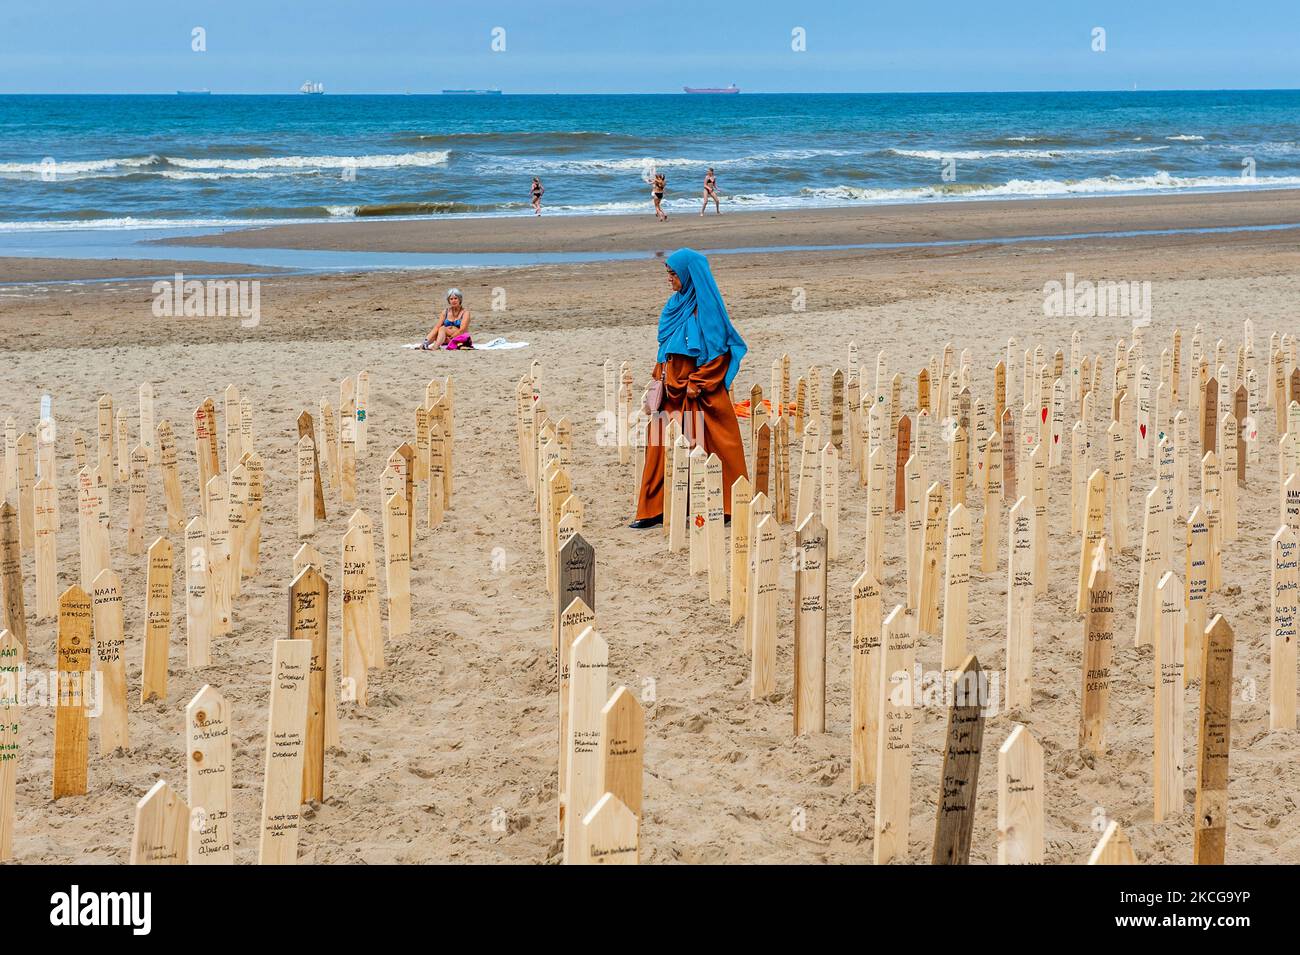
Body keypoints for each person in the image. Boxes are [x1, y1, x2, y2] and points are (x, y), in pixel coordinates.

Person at [631, 248, 748, 528]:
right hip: (670, 394)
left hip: (700, 396)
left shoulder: (708, 311)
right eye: (668, 274)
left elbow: (720, 355)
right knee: (659, 442)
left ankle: (726, 506)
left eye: (673, 274)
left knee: (712, 448)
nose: (669, 279)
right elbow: (665, 350)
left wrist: (697, 383)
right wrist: (660, 375)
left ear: (689, 275)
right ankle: (655, 509)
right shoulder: (673, 306)